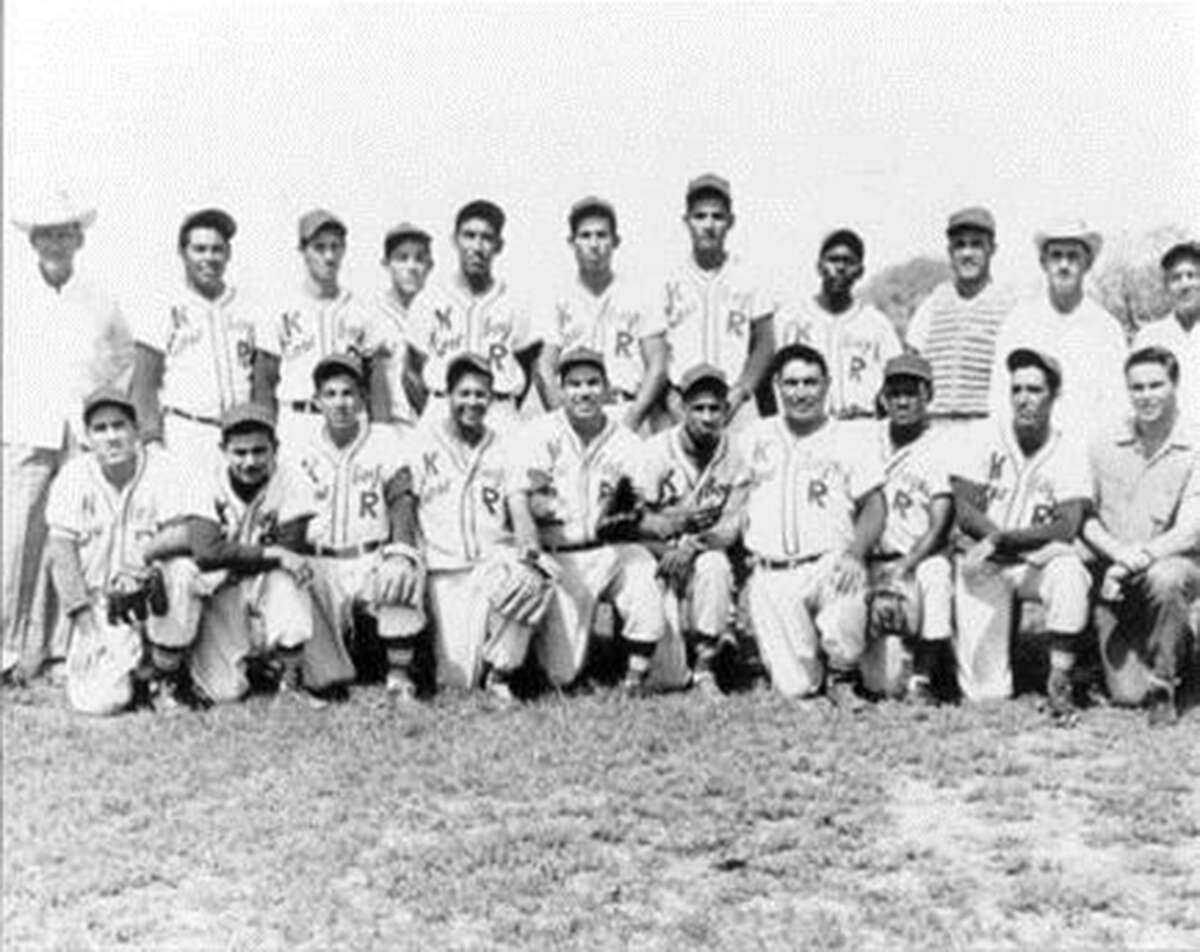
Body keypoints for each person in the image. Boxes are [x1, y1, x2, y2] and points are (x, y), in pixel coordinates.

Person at [3, 191, 134, 680]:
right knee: (16, 541)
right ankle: (8, 650)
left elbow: (123, 355)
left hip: (80, 435)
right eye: (47, 234)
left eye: (65, 233)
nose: (56, 242)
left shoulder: (99, 295)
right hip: (24, 428)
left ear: (79, 238)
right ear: (33, 240)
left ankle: (62, 650)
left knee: (73, 537)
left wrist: (99, 411)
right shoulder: (12, 293)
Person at [506, 347, 667, 693]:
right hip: (562, 555)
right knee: (560, 676)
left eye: (593, 383)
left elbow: (644, 505)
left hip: (611, 550)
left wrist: (637, 518)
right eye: (575, 384)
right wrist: (539, 507)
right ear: (561, 390)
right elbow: (522, 495)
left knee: (642, 572)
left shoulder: (627, 442)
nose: (584, 392)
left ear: (607, 388)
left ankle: (634, 675)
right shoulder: (539, 433)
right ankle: (543, 649)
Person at [739, 343, 886, 706]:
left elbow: (875, 504)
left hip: (828, 562)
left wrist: (856, 551)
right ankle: (804, 666)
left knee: (847, 586)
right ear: (776, 385)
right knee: (796, 688)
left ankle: (842, 676)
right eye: (791, 383)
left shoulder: (849, 436)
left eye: (810, 382)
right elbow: (733, 501)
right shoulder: (754, 436)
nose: (800, 392)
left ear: (827, 384)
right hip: (772, 569)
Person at [951, 349, 1092, 717]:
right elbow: (965, 509)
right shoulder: (983, 434)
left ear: (1054, 395)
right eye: (1017, 389)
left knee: (1069, 573)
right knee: (986, 696)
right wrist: (996, 541)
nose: (1024, 399)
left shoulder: (1069, 449)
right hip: (987, 563)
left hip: (1033, 563)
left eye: (1035, 389)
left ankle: (1060, 679)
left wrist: (1001, 538)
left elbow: (1067, 525)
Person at [43, 388, 202, 714]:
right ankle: (138, 671)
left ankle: (166, 675)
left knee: (184, 571)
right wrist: (86, 628)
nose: (111, 437)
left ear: (136, 430)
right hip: (102, 603)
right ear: (87, 437)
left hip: (153, 594)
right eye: (100, 429)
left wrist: (143, 561)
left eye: (119, 426)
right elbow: (62, 557)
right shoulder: (72, 477)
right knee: (102, 702)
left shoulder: (163, 468)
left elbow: (189, 533)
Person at [390, 353, 531, 699]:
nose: (472, 402)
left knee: (531, 580)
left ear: (492, 398)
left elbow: (520, 506)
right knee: (457, 681)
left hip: (492, 560)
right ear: (448, 395)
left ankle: (501, 674)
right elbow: (405, 500)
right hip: (445, 568)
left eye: (481, 394)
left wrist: (531, 554)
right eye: (464, 393)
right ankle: (421, 658)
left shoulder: (505, 444)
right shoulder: (421, 442)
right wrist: (404, 552)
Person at [291, 354, 424, 699]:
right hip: (320, 563)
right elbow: (288, 515)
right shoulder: (299, 446)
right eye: (331, 394)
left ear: (363, 398)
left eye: (349, 393)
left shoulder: (384, 440)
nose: (340, 402)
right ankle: (295, 673)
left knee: (401, 571)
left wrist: (401, 551)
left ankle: (398, 673)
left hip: (370, 557)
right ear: (317, 400)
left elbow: (402, 498)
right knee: (329, 679)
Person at [178, 403, 327, 706]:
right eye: (240, 452)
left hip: (257, 582)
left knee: (290, 577)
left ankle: (290, 679)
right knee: (224, 692)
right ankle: (248, 664)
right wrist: (271, 553)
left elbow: (292, 550)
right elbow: (206, 552)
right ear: (223, 449)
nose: (250, 461)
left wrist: (231, 566)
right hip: (223, 590)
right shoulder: (205, 478)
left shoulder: (292, 478)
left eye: (259, 451)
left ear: (276, 448)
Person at [1082, 347, 1199, 726]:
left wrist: (1139, 558)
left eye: (1156, 385)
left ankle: (1164, 682)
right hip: (1115, 574)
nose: (1146, 395)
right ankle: (1178, 645)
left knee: (1167, 577)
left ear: (1175, 385)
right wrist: (1117, 556)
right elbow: (1084, 516)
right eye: (1137, 387)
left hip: (1167, 566)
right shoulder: (1104, 443)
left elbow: (1191, 529)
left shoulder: (1194, 446)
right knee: (1126, 695)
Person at [637, 364, 750, 696]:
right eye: (698, 408)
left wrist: (692, 547)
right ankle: (647, 655)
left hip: (704, 554)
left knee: (715, 567)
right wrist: (668, 549)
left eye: (715, 408)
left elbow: (731, 526)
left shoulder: (737, 452)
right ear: (681, 408)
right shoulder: (656, 450)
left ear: (726, 410)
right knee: (670, 678)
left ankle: (705, 668)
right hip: (659, 557)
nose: (707, 416)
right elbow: (635, 521)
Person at [129, 208, 260, 472]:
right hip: (188, 432)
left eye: (217, 249)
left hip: (242, 437)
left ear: (228, 254)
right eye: (199, 249)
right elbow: (144, 385)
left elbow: (261, 378)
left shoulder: (248, 306)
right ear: (182, 253)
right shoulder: (163, 306)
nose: (209, 258)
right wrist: (152, 441)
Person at [857, 354, 955, 703]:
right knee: (880, 686)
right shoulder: (865, 437)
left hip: (914, 560)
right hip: (872, 561)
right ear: (883, 396)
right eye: (894, 392)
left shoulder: (940, 444)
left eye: (911, 393)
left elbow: (941, 523)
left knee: (938, 572)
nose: (902, 401)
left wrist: (907, 564)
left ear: (927, 394)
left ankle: (924, 676)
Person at [536, 197, 668, 432]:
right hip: (574, 413)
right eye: (585, 236)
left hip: (623, 408)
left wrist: (633, 418)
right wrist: (561, 418)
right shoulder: (557, 296)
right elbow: (544, 366)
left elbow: (657, 364)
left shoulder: (640, 294)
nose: (594, 244)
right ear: (572, 242)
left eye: (601, 235)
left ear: (615, 241)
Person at [254, 209, 383, 448]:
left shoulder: (360, 310)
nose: (329, 256)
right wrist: (264, 435)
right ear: (303, 251)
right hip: (298, 420)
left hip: (351, 422)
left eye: (336, 247)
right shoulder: (280, 309)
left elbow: (376, 381)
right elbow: (264, 381)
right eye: (319, 247)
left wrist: (381, 435)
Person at [988, 219, 1126, 440]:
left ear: (1087, 264)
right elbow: (999, 396)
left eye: (1072, 257)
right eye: (1056, 256)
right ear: (1043, 262)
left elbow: (1117, 407)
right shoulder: (1018, 322)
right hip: (1027, 451)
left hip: (1084, 454)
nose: (1064, 265)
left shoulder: (1107, 329)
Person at [407, 200, 536, 432]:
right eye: (469, 235)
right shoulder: (429, 299)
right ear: (455, 240)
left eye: (486, 238)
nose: (477, 246)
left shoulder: (515, 302)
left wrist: (504, 403)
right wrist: (435, 406)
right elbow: (411, 369)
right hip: (443, 407)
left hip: (498, 410)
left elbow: (527, 361)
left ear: (499, 245)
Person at [661, 174, 775, 430]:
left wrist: (742, 391)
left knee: (741, 467)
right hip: (681, 400)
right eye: (700, 216)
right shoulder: (666, 278)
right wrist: (669, 398)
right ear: (686, 222)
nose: (709, 225)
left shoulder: (750, 275)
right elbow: (655, 347)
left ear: (730, 222)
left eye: (717, 216)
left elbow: (765, 343)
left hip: (735, 402)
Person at [774, 229, 901, 429]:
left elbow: (896, 377)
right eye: (833, 260)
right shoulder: (789, 318)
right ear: (819, 267)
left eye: (849, 261)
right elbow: (768, 379)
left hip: (859, 428)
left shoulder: (876, 324)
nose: (840, 267)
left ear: (860, 271)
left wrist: (876, 409)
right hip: (803, 430)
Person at [905, 207, 1016, 424]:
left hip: (985, 426)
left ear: (992, 249)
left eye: (976, 245)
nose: (967, 254)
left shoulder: (1008, 307)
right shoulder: (933, 304)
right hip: (934, 425)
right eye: (960, 245)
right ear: (950, 252)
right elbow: (911, 366)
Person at [369, 222, 435, 433]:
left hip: (434, 425)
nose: (412, 267)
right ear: (386, 263)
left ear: (430, 265)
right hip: (389, 425)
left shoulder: (442, 312)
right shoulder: (370, 315)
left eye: (420, 258)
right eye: (402, 258)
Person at [1133, 240, 1200, 411]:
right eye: (1176, 278)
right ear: (1166, 286)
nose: (1184, 285)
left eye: (1192, 276)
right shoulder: (1149, 338)